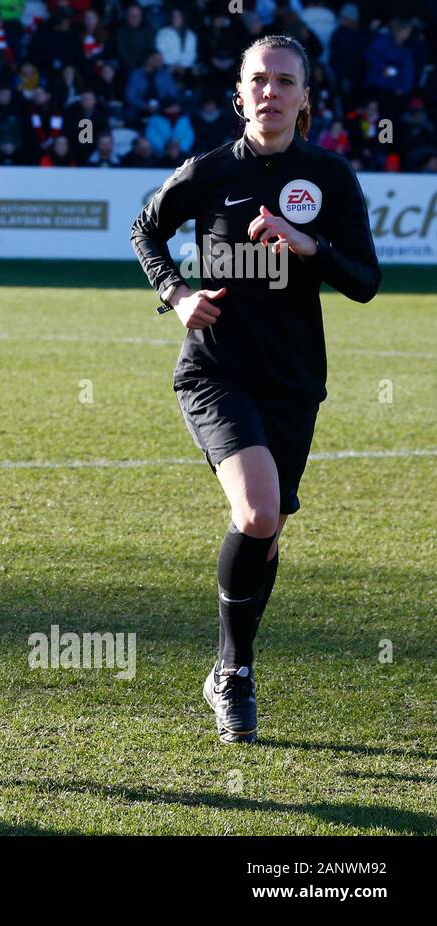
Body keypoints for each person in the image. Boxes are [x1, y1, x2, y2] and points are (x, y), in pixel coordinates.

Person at [130, 36, 381, 744]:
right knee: (258, 510)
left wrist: (310, 247)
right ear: (239, 94)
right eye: (259, 80)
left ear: (305, 98)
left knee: (265, 535)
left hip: (295, 381)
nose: (271, 91)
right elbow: (144, 230)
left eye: (285, 81)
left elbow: (365, 281)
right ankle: (234, 674)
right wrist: (176, 293)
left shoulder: (328, 176)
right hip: (216, 371)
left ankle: (227, 668)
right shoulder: (207, 173)